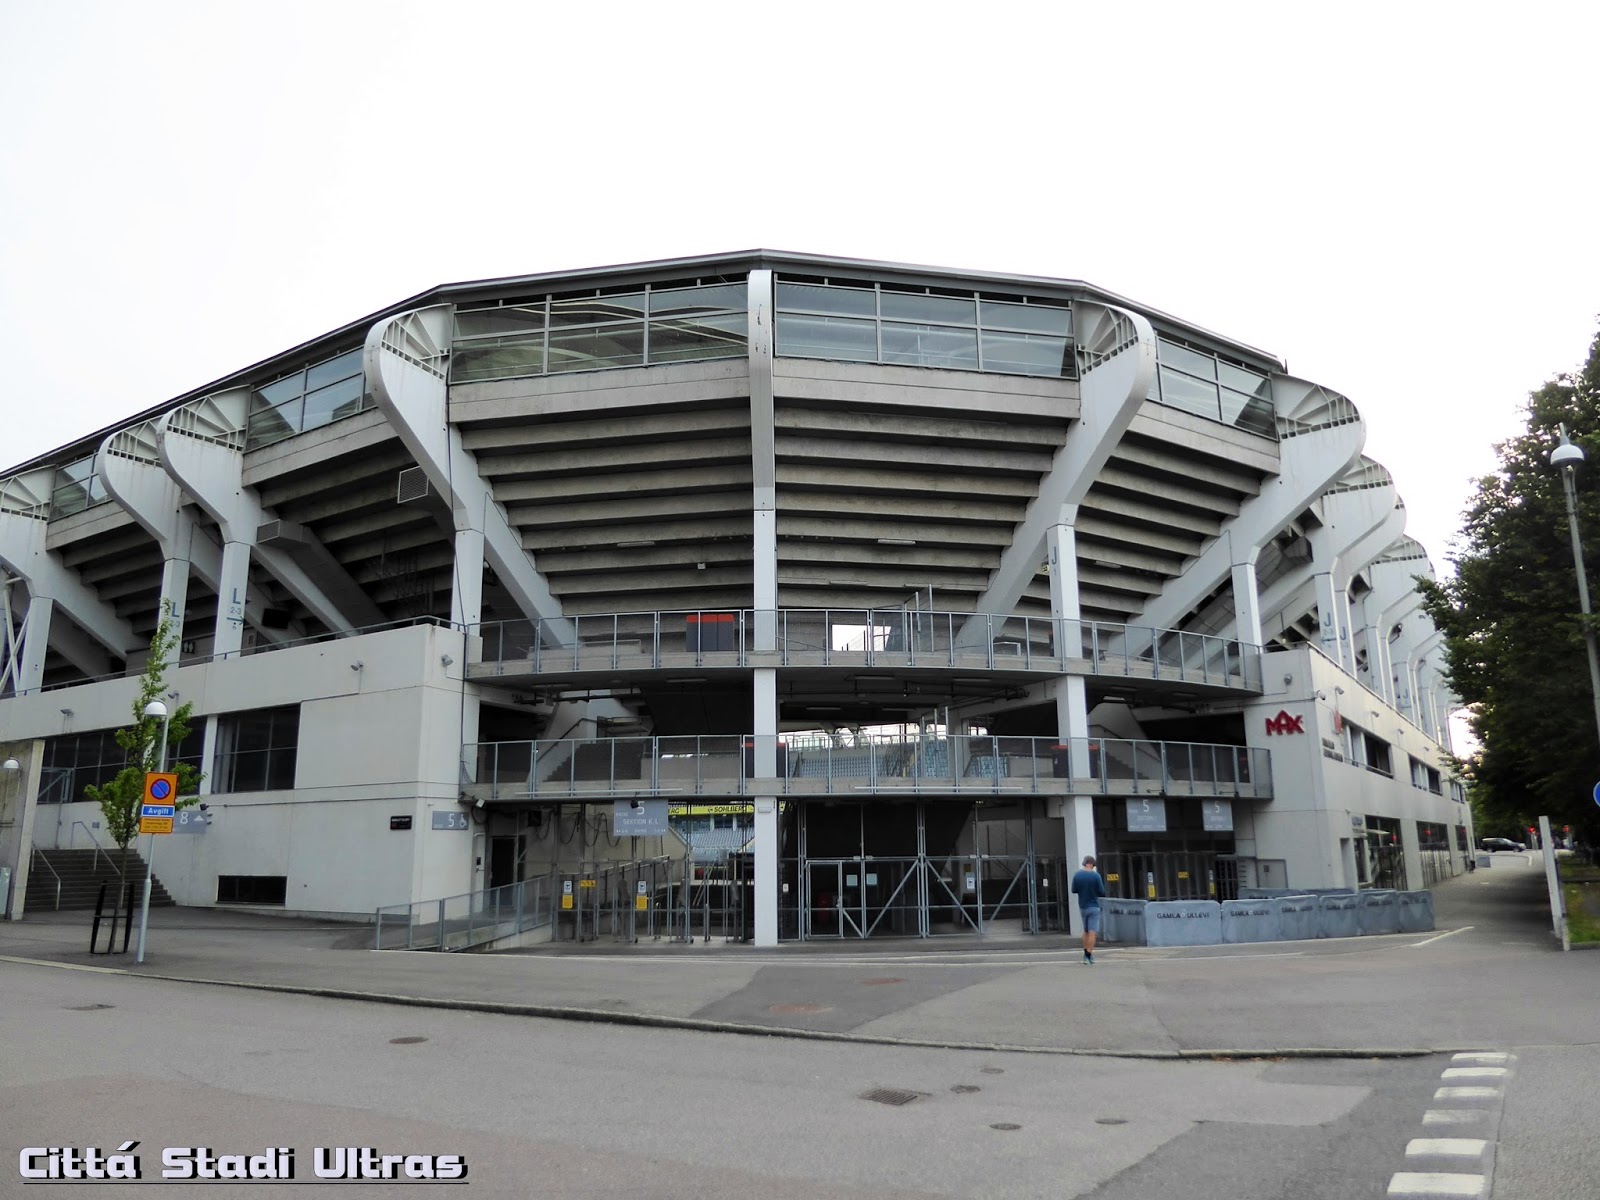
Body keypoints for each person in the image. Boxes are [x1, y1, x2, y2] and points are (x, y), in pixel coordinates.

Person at [1069, 855, 1107, 964]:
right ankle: (1088, 955)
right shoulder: (1096, 876)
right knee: (1092, 932)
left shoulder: (1077, 875)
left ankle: (1085, 953)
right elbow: (1101, 892)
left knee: (1085, 931)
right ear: (1091, 864)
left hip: (1083, 906)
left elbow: (1073, 890)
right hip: (1094, 906)